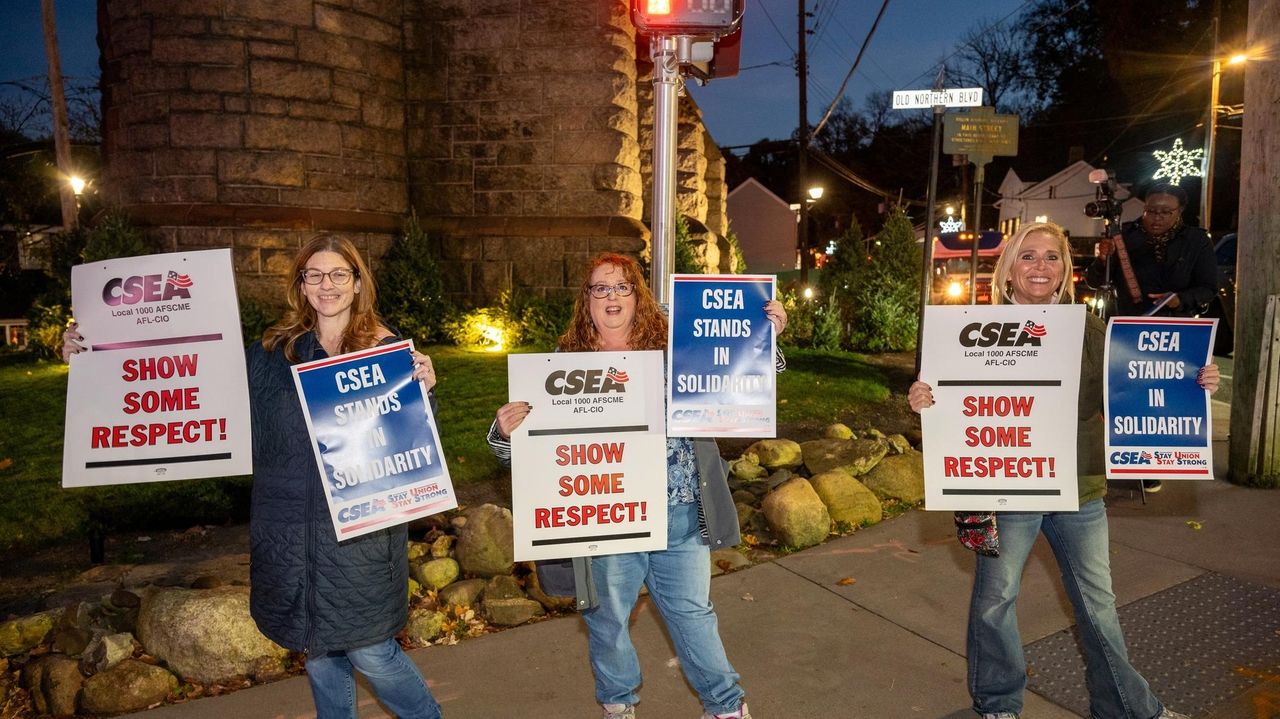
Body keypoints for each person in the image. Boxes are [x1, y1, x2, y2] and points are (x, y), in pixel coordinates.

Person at [64, 234, 445, 719]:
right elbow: (185, 377)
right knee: (319, 652)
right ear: (301, 284)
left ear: (356, 283)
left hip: (360, 535)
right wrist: (94, 354)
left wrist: (425, 391)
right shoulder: (271, 354)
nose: (326, 285)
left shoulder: (388, 354)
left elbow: (415, 440)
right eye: (315, 274)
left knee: (371, 650)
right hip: (287, 530)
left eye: (338, 275)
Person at [910, 222, 1216, 719]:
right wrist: (922, 398)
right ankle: (999, 704)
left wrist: (1192, 381)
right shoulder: (962, 331)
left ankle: (1130, 710)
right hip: (1005, 489)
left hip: (1079, 489)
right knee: (995, 603)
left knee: (1098, 608)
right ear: (1008, 269)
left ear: (1066, 270)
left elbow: (1134, 391)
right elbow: (947, 401)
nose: (1040, 266)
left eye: (1052, 257)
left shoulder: (1089, 330)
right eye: (1028, 256)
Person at [487, 252, 786, 719]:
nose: (611, 296)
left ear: (638, 295)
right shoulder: (564, 361)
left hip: (679, 509)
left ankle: (726, 706)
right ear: (586, 300)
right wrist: (505, 431)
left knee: (692, 614)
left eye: (622, 286)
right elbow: (533, 450)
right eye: (600, 288)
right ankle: (618, 704)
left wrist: (765, 338)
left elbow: (739, 379)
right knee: (606, 619)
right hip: (607, 517)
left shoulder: (674, 342)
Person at [1085, 183, 1219, 492]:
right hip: (1128, 331)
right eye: (1150, 211)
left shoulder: (1196, 241)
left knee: (1163, 401)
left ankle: (1152, 465)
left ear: (1180, 212)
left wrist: (1178, 300)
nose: (1156, 218)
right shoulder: (1124, 237)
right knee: (1122, 395)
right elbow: (1095, 281)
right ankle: (1119, 457)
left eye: (1165, 212)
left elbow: (1208, 288)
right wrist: (1102, 258)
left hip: (1175, 334)